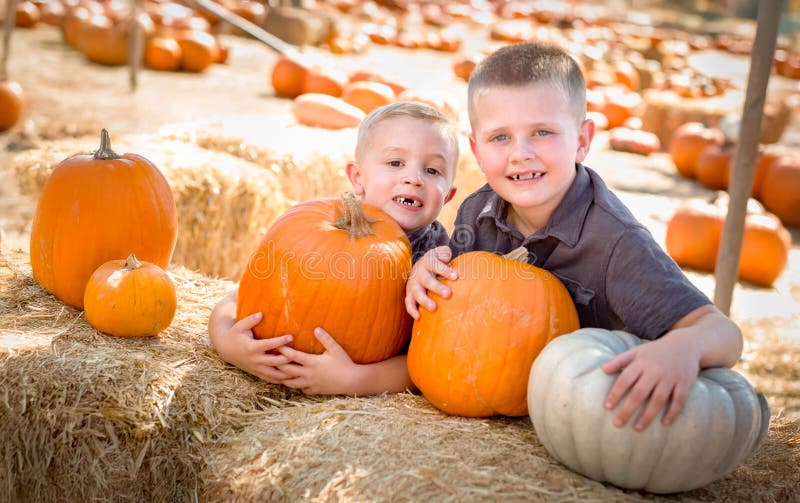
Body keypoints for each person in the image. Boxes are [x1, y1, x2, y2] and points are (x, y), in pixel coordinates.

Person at [404, 42, 743, 431]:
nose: (520, 153)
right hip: (494, 389)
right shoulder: (476, 211)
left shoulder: (615, 241)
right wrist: (425, 272)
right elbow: (455, 312)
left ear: (582, 140)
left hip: (589, 410)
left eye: (542, 132)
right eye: (500, 138)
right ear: (477, 152)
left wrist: (682, 346)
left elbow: (722, 332)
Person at [208, 101, 459, 396]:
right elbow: (239, 298)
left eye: (431, 170)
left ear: (449, 195)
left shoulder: (437, 259)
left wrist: (354, 380)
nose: (413, 178)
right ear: (357, 178)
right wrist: (227, 342)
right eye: (395, 163)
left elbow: (430, 362)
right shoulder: (315, 228)